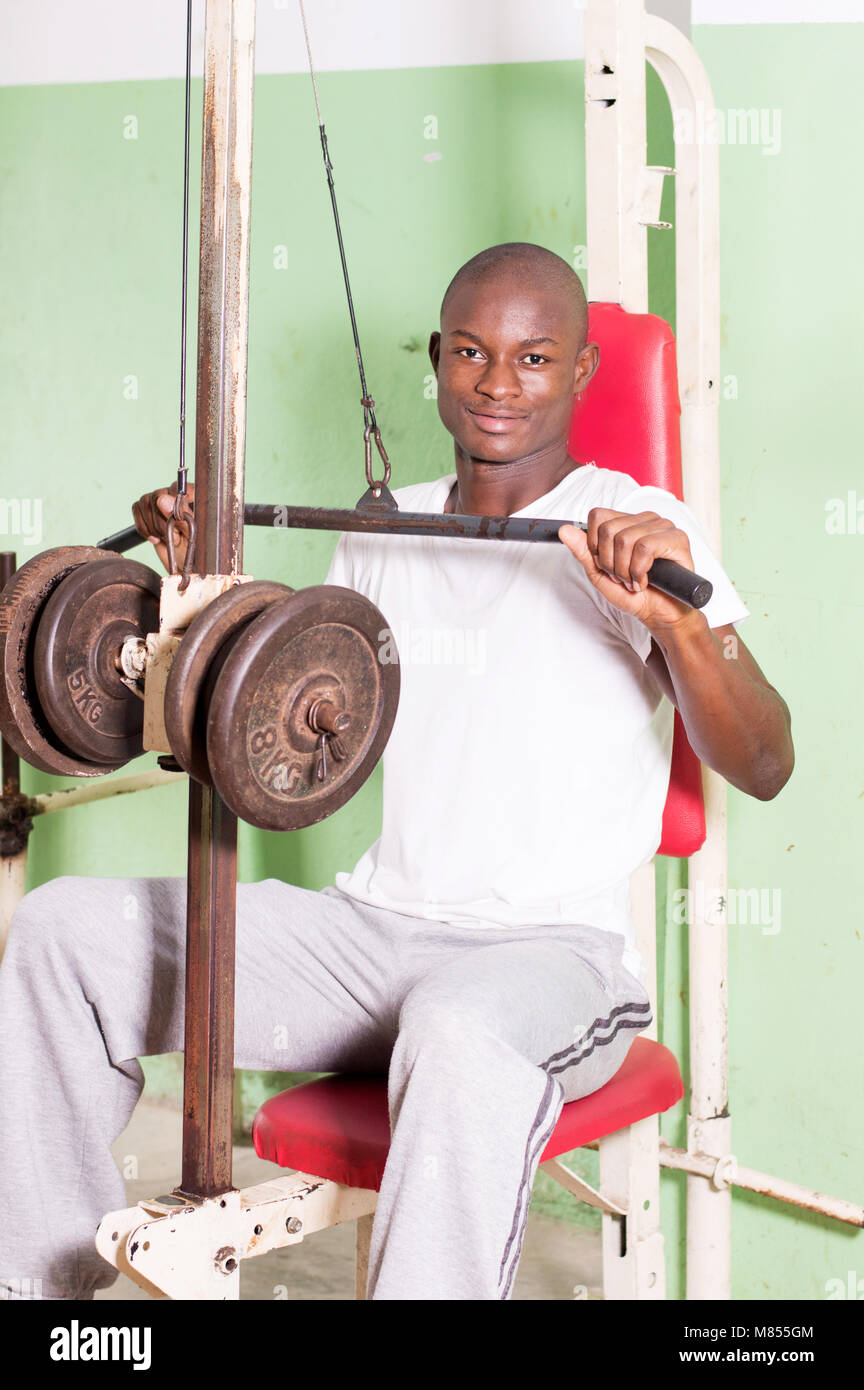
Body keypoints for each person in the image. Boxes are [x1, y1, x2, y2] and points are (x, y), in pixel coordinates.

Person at [0, 243, 793, 1302]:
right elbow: (273, 736)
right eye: (471, 351)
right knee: (62, 935)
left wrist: (683, 627)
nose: (498, 383)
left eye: (534, 357)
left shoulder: (633, 529)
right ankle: (45, 1297)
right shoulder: (382, 530)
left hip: (549, 955)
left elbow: (767, 759)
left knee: (459, 1031)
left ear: (583, 372)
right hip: (369, 941)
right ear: (436, 358)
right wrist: (187, 591)